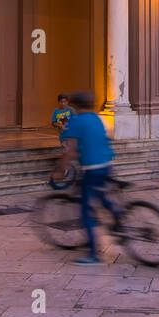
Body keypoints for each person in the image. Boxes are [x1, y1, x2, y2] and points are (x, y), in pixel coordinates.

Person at [61, 91, 120, 264]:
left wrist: (60, 168)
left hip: (92, 168)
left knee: (85, 210)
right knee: (101, 197)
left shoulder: (77, 121)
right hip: (106, 164)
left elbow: (70, 151)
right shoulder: (97, 118)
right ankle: (119, 214)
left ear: (76, 106)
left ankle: (94, 253)